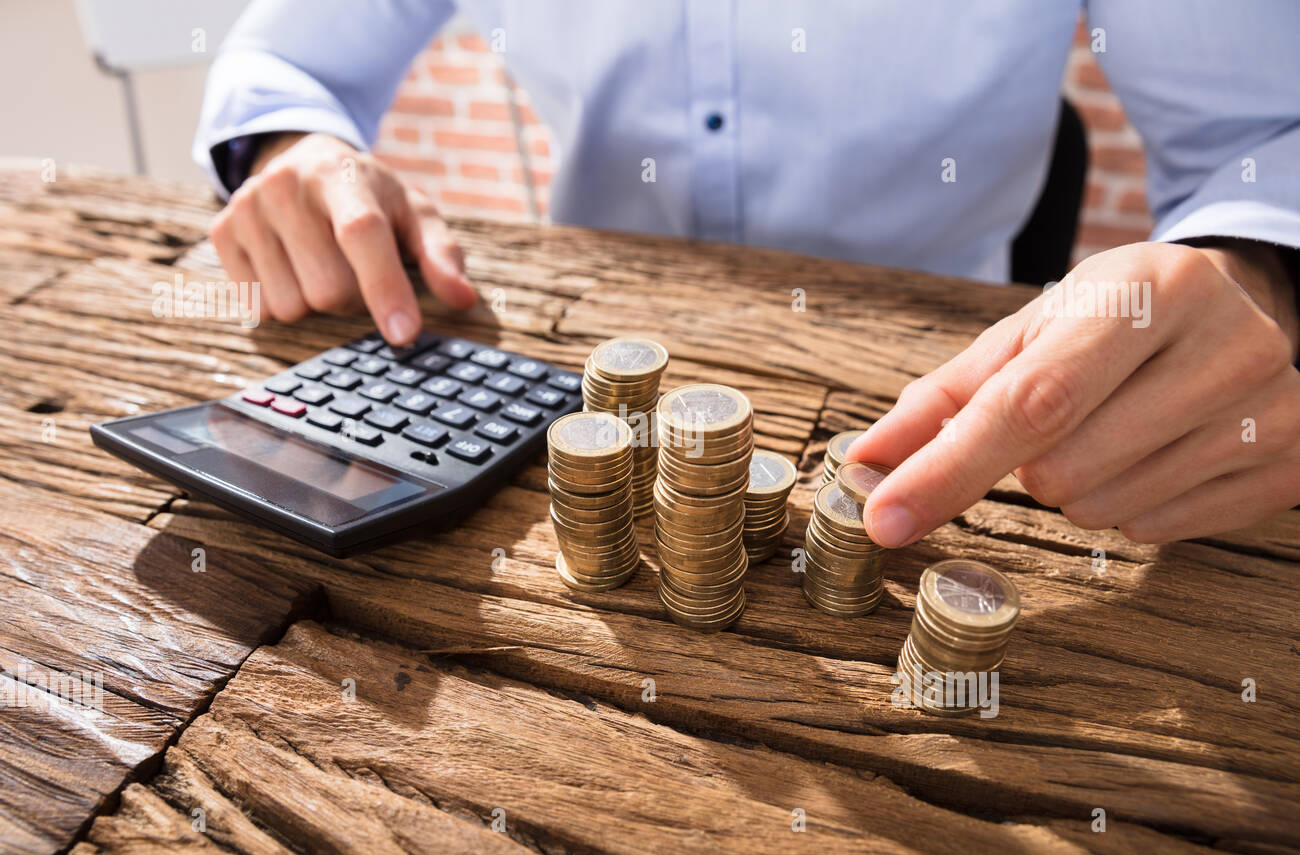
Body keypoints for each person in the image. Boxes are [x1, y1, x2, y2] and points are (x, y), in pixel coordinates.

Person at [194, 0, 1300, 547]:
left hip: (953, 369)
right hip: (581, 339)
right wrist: (293, 147)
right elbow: (284, 54)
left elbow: (1262, 130)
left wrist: (1255, 268)